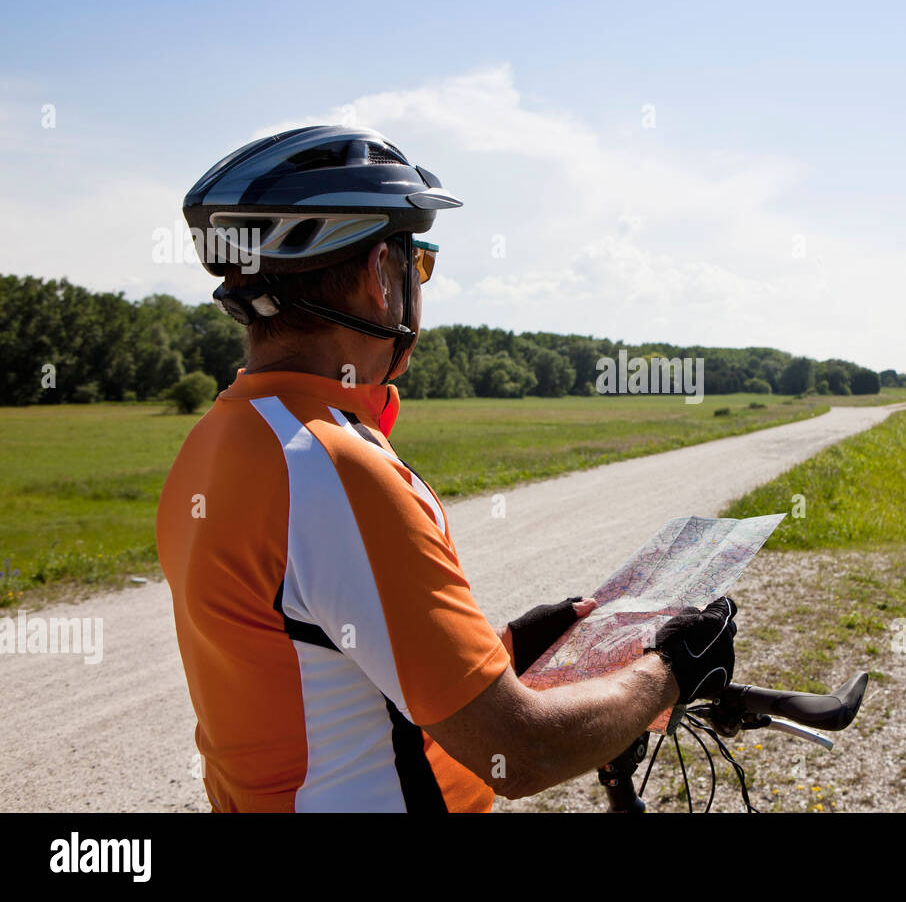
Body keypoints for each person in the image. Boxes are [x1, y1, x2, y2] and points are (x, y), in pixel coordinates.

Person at [156, 125, 738, 812]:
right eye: (418, 262)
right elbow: (520, 753)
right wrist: (669, 672)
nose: (418, 285)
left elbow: (324, 669)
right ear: (380, 276)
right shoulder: (336, 470)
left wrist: (510, 648)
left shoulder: (222, 441)